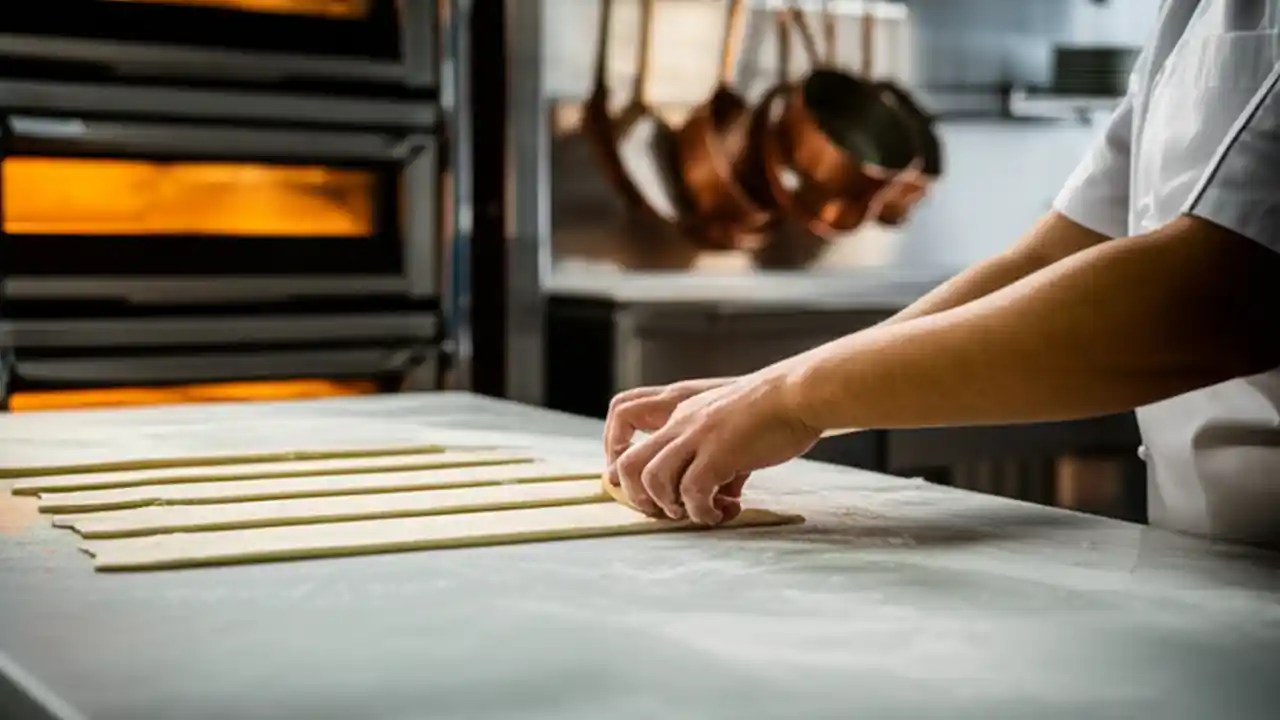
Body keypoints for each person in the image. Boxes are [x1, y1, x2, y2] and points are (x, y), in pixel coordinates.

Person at [601, 0, 1280, 545]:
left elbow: (1214, 288)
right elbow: (1052, 257)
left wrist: (797, 396)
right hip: (1210, 561)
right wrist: (768, 392)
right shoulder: (1185, 18)